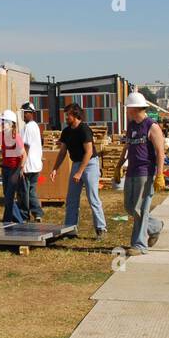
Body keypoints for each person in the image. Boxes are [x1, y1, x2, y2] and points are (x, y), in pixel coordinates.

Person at [118, 91, 166, 255]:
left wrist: (160, 175)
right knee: (130, 207)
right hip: (131, 171)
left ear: (134, 108)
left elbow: (160, 152)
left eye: (128, 108)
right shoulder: (132, 125)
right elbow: (127, 146)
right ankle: (155, 226)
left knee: (140, 208)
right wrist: (118, 166)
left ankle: (139, 245)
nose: (127, 111)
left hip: (145, 172)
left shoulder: (152, 126)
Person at [49, 102, 106, 238]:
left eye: (67, 115)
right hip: (76, 164)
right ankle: (70, 228)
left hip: (90, 164)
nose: (65, 118)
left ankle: (101, 228)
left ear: (75, 115)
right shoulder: (67, 131)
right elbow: (63, 152)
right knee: (72, 198)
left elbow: (88, 152)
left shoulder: (84, 129)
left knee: (93, 197)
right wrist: (55, 168)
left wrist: (80, 172)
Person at [19, 101, 45, 222]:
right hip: (36, 164)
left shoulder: (28, 127)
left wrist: (21, 165)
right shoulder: (35, 126)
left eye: (25, 113)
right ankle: (37, 213)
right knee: (32, 190)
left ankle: (26, 214)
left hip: (28, 165)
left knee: (25, 192)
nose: (23, 115)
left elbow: (26, 147)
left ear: (30, 113)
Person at [0, 110, 25, 223]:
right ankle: (18, 220)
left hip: (14, 169)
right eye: (2, 122)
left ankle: (8, 221)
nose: (2, 124)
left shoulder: (16, 137)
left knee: (9, 197)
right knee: (7, 196)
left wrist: (18, 171)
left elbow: (24, 155)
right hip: (5, 169)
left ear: (11, 123)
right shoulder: (1, 135)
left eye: (4, 122)